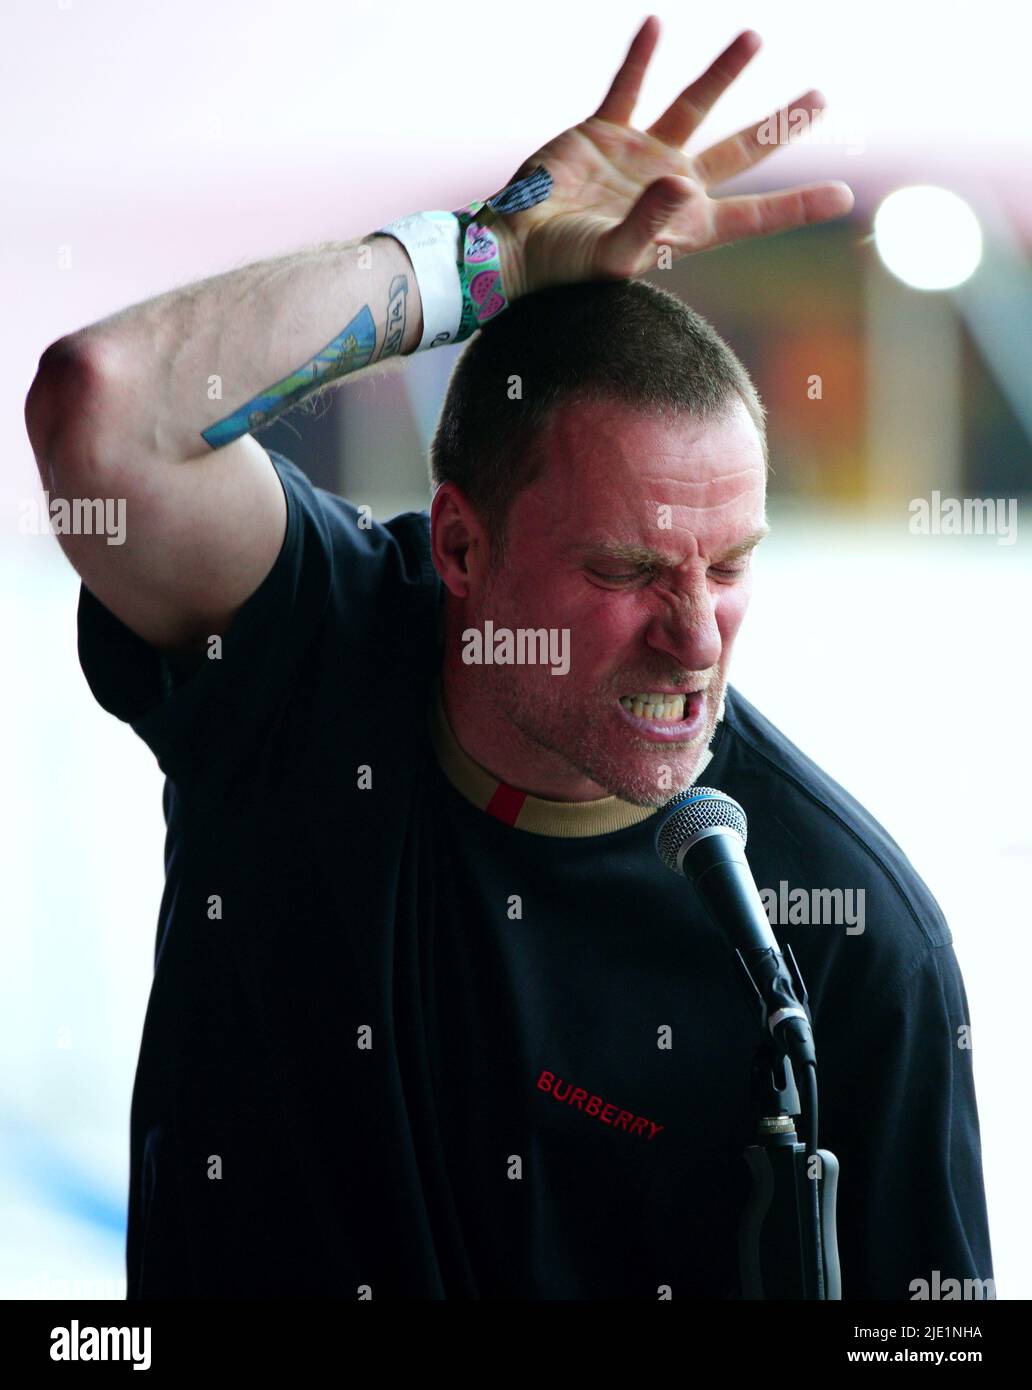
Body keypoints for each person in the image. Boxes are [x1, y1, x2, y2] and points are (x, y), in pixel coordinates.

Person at [24, 19, 993, 1300]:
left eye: (730, 563)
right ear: (462, 546)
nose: (695, 635)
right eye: (627, 572)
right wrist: (477, 259)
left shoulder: (849, 939)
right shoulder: (309, 647)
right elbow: (102, 405)